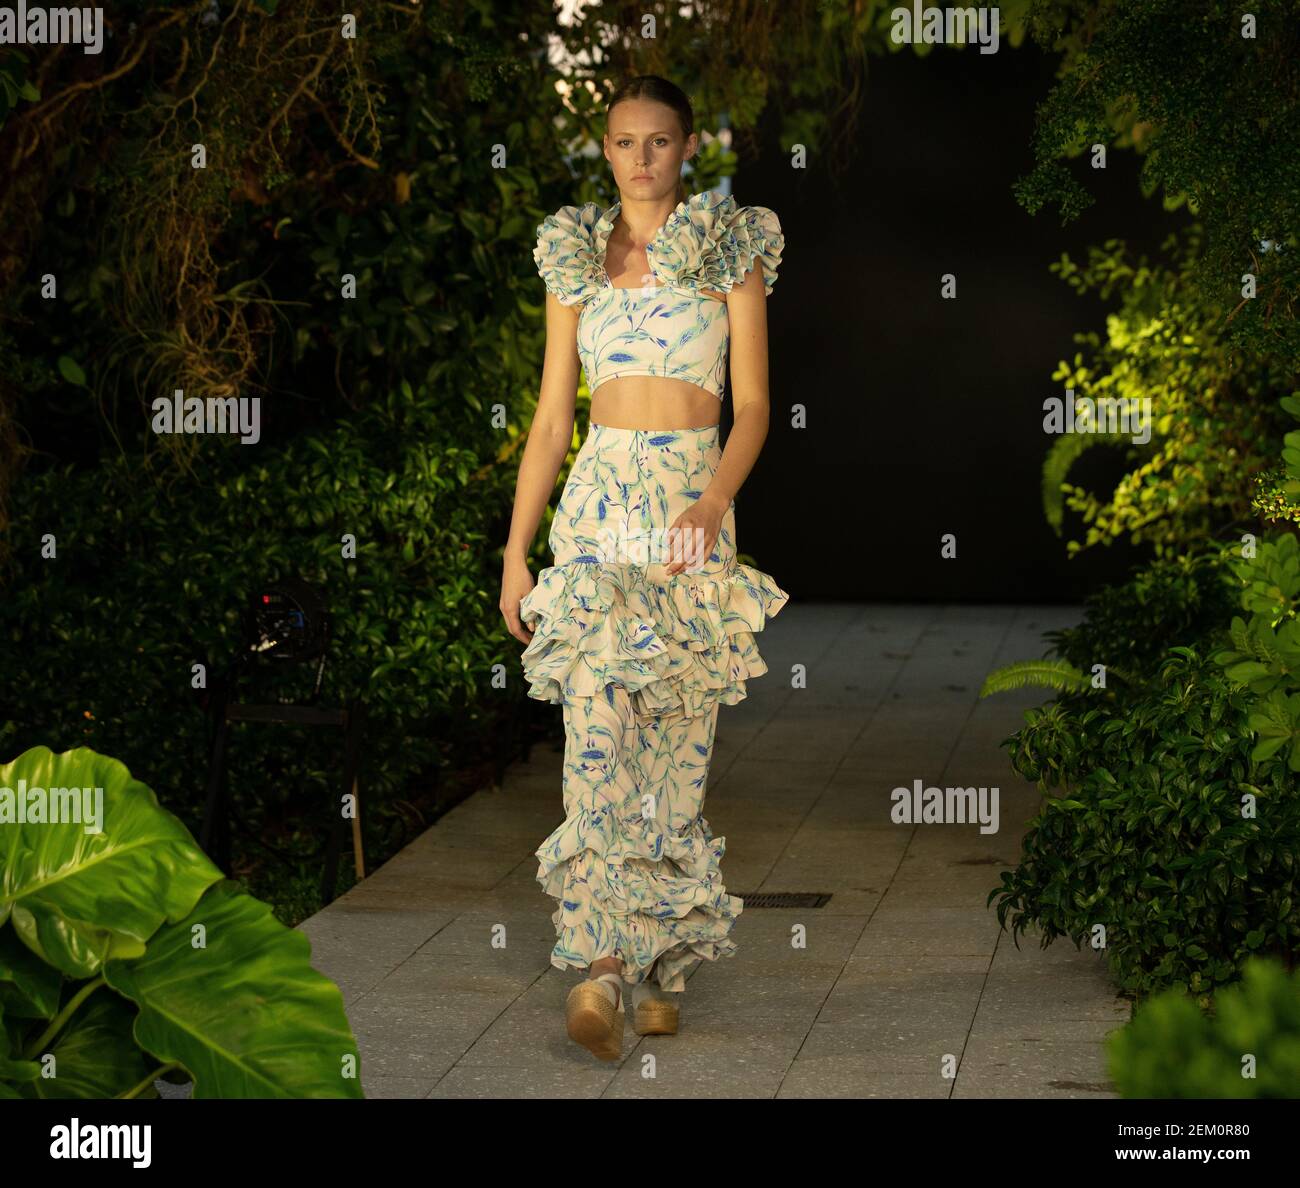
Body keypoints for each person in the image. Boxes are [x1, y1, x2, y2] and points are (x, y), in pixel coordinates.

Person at [499, 74, 789, 1062]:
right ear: (606, 149)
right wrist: (514, 552)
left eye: (657, 142)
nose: (640, 159)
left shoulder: (728, 249)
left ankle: (660, 961)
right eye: (624, 142)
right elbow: (549, 421)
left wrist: (709, 508)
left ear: (685, 145)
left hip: (689, 511)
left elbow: (752, 407)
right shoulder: (574, 259)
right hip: (597, 511)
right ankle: (602, 967)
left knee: (676, 746)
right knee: (596, 731)